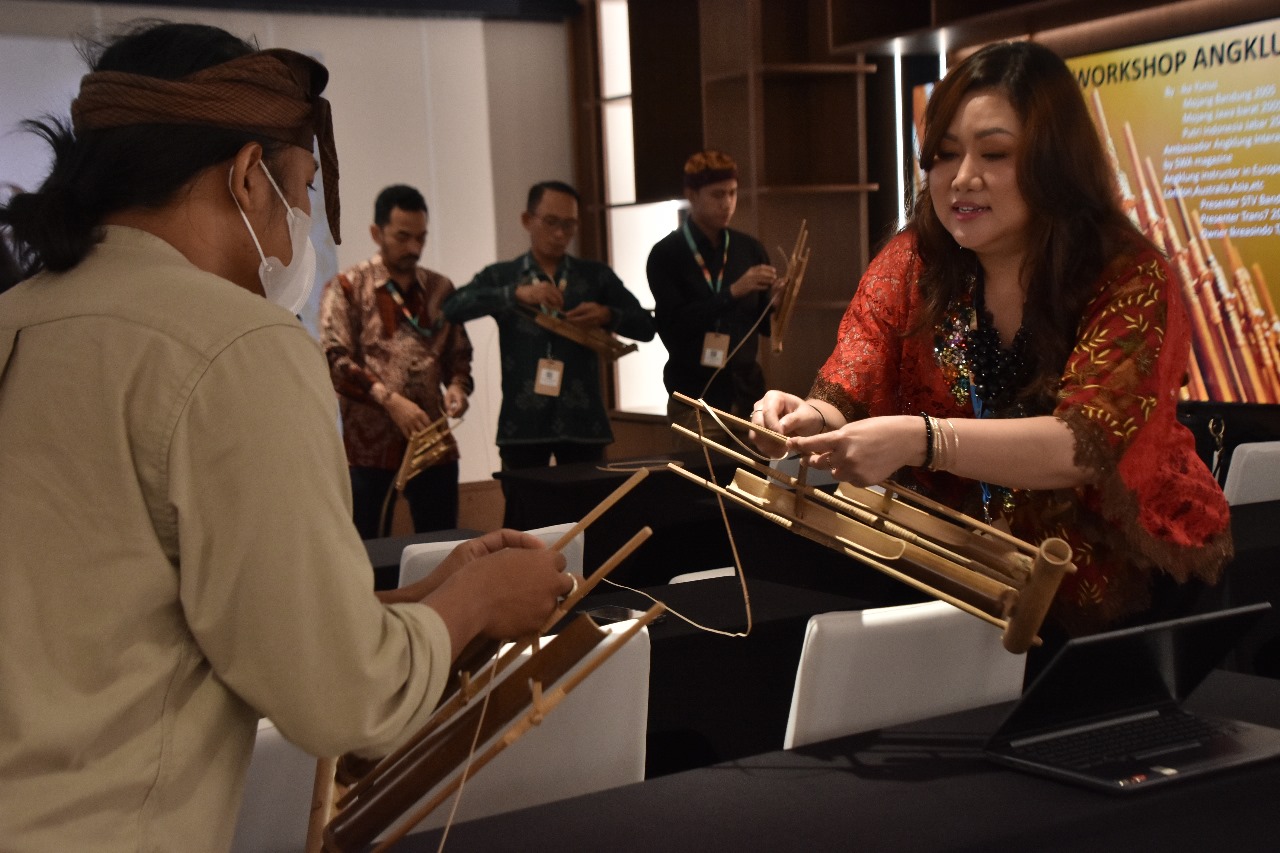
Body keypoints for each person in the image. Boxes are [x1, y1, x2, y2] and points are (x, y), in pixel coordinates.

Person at [0, 22, 571, 850]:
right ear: (245, 175)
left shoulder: (21, 316)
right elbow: (344, 697)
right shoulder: (237, 346)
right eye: (302, 187)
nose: (305, 217)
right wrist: (478, 601)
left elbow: (132, 621)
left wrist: (415, 601)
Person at [753, 41, 1232, 645]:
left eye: (996, 153)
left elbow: (1084, 447)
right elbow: (852, 383)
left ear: (1055, 165)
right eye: (945, 154)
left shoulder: (1128, 274)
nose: (963, 178)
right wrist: (805, 420)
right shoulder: (913, 263)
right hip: (966, 569)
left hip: (1120, 573)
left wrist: (922, 440)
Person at [443, 180, 655, 471]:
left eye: (569, 225)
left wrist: (608, 315)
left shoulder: (595, 277)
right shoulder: (505, 276)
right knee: (525, 514)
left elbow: (646, 327)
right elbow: (451, 308)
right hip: (522, 425)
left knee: (590, 513)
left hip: (584, 424)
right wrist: (514, 294)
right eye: (551, 222)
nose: (559, 234)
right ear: (527, 220)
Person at [319, 184, 473, 539]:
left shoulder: (440, 289)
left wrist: (457, 387)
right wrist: (389, 400)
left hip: (431, 441)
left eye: (421, 237)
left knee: (442, 546)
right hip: (368, 447)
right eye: (403, 237)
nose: (414, 248)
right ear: (377, 233)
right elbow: (334, 358)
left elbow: (459, 354)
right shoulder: (348, 287)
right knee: (366, 551)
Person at [645, 150, 781, 429]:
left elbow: (764, 328)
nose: (727, 203)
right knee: (701, 473)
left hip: (749, 394)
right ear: (692, 195)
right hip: (694, 397)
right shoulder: (667, 254)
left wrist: (777, 303)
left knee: (752, 473)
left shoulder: (749, 249)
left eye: (732, 193)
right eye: (717, 195)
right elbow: (673, 326)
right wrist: (732, 292)